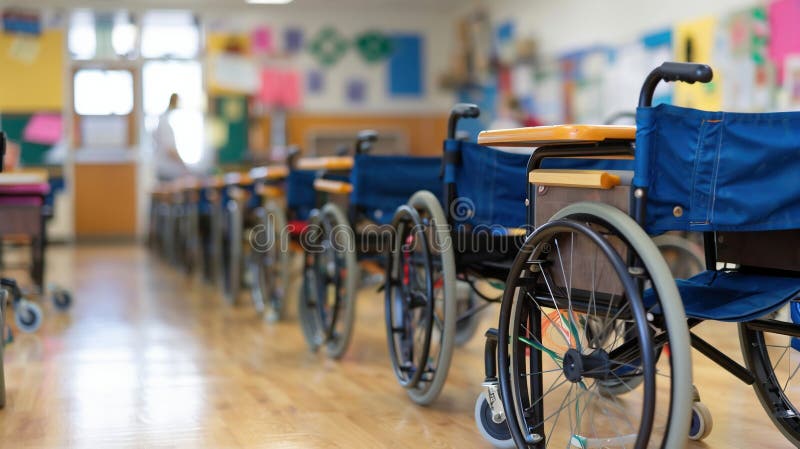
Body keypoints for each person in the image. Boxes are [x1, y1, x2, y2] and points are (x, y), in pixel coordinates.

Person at [153, 93, 187, 182]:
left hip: (167, 169)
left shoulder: (166, 119)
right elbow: (169, 149)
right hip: (166, 170)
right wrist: (183, 164)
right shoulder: (164, 121)